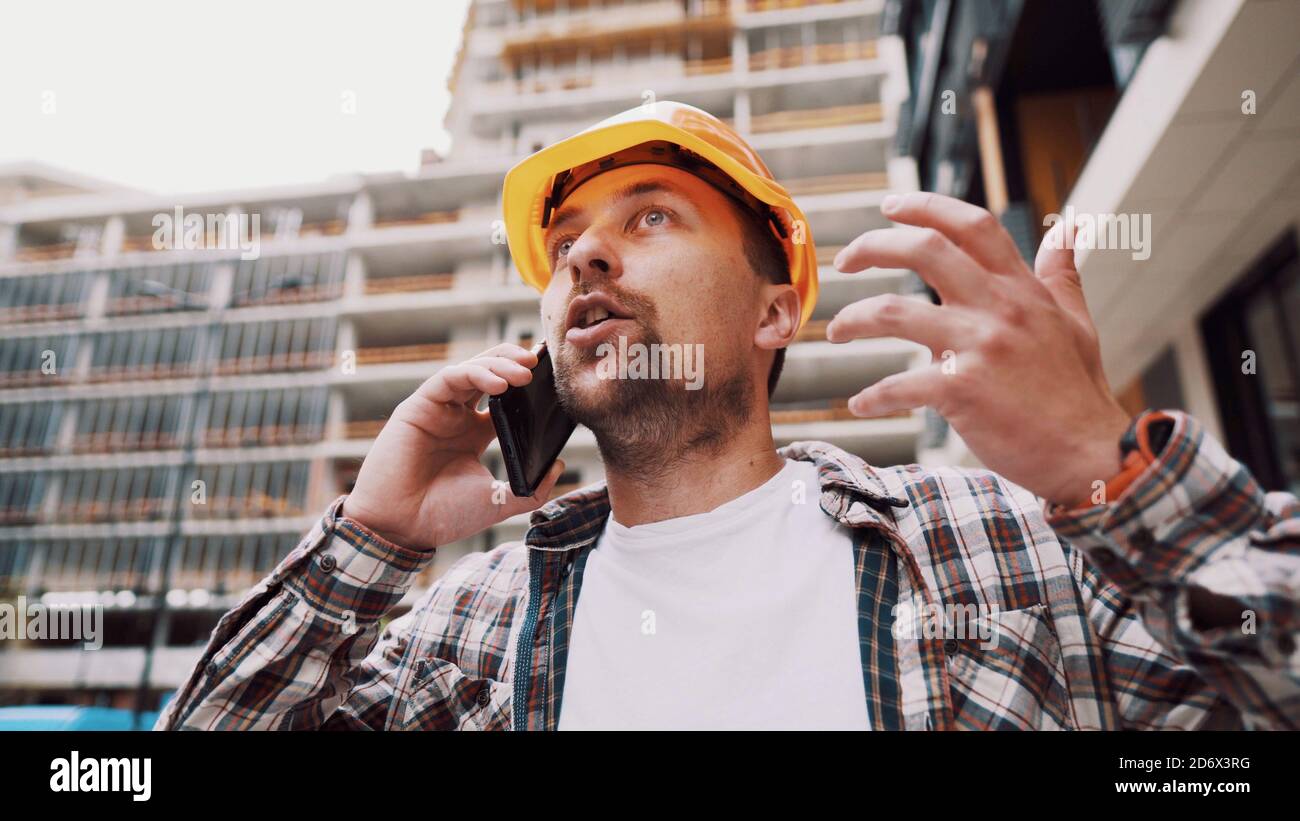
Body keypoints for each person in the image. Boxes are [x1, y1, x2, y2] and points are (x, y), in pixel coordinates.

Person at [157, 102, 1299, 731]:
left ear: (773, 310)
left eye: (652, 216)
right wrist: (371, 535)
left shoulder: (997, 546)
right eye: (563, 251)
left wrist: (1109, 473)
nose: (586, 255)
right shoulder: (469, 629)